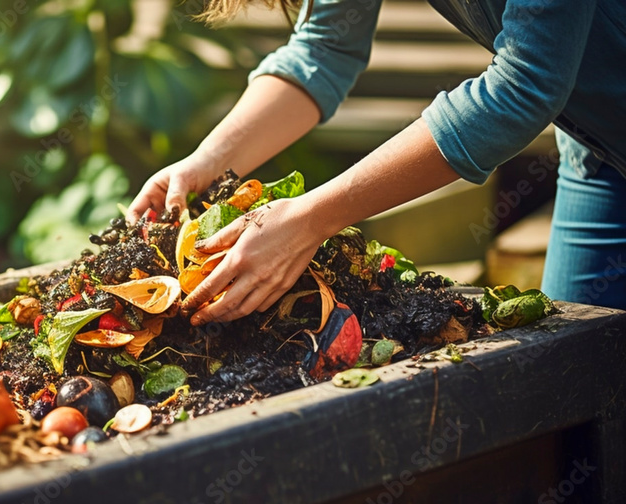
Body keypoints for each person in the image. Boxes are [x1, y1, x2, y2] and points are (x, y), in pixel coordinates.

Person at [126, 0, 626, 326]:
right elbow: (326, 46)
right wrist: (209, 162)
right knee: (584, 389)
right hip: (597, 158)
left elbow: (523, 85)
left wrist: (310, 218)